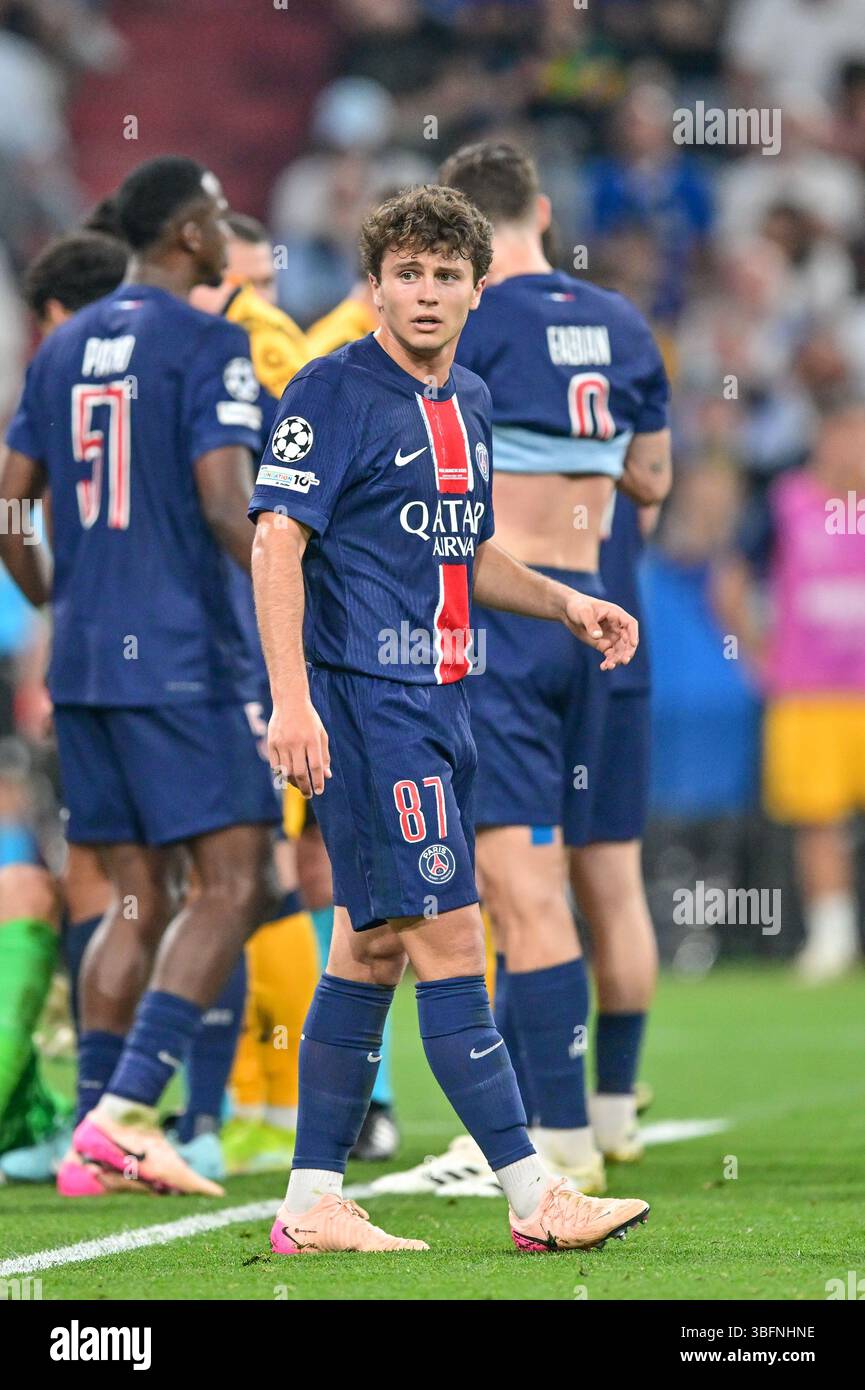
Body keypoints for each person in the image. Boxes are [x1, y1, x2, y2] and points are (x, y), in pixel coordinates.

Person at [250, 183, 650, 1255]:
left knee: (367, 950)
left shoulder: (468, 396)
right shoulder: (329, 393)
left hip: (444, 698)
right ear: (373, 284)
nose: (425, 292)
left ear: (479, 287)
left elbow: (463, 549)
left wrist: (564, 599)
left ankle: (309, 1202)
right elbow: (275, 541)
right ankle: (535, 1193)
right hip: (369, 704)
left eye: (444, 274)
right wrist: (291, 699)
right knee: (447, 940)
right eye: (406, 273)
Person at [0, 155, 280, 1197]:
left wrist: (50, 593)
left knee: (129, 895)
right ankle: (131, 1111)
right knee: (234, 877)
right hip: (181, 657)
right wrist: (290, 590)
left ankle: (87, 1140)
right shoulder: (212, 342)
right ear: (188, 235)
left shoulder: (63, 344)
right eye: (211, 217)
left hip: (85, 660)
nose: (218, 233)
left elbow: (6, 500)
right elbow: (222, 502)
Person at [439, 141, 671, 1190]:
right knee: (606, 878)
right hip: (601, 619)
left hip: (511, 620)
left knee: (520, 887)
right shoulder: (623, 322)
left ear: (466, 236)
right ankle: (608, 1108)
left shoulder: (470, 319)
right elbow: (653, 479)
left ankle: (558, 1134)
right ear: (540, 207)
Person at [714, 399, 865, 981]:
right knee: (818, 820)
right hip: (810, 693)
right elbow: (730, 578)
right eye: (842, 434)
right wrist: (758, 655)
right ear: (822, 439)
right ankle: (833, 936)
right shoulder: (785, 504)